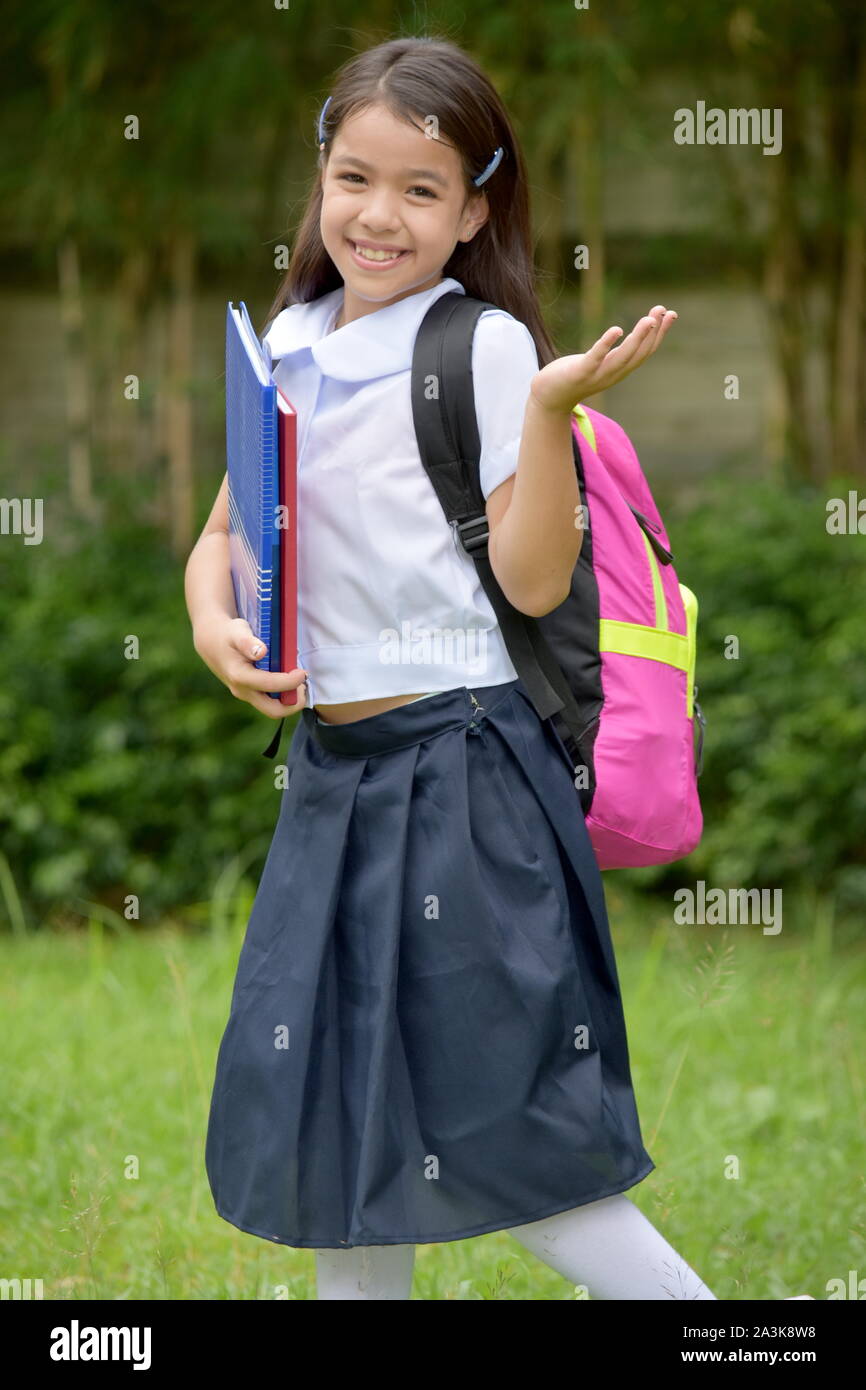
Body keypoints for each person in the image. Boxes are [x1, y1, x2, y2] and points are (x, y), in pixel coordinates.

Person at [185, 33, 718, 1301]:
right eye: (355, 178)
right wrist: (212, 626)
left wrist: (543, 412)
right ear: (320, 178)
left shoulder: (478, 347)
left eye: (420, 191)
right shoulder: (293, 333)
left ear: (474, 207)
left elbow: (533, 583)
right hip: (336, 777)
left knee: (512, 1122)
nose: (379, 215)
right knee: (338, 1124)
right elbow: (220, 536)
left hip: (464, 777)